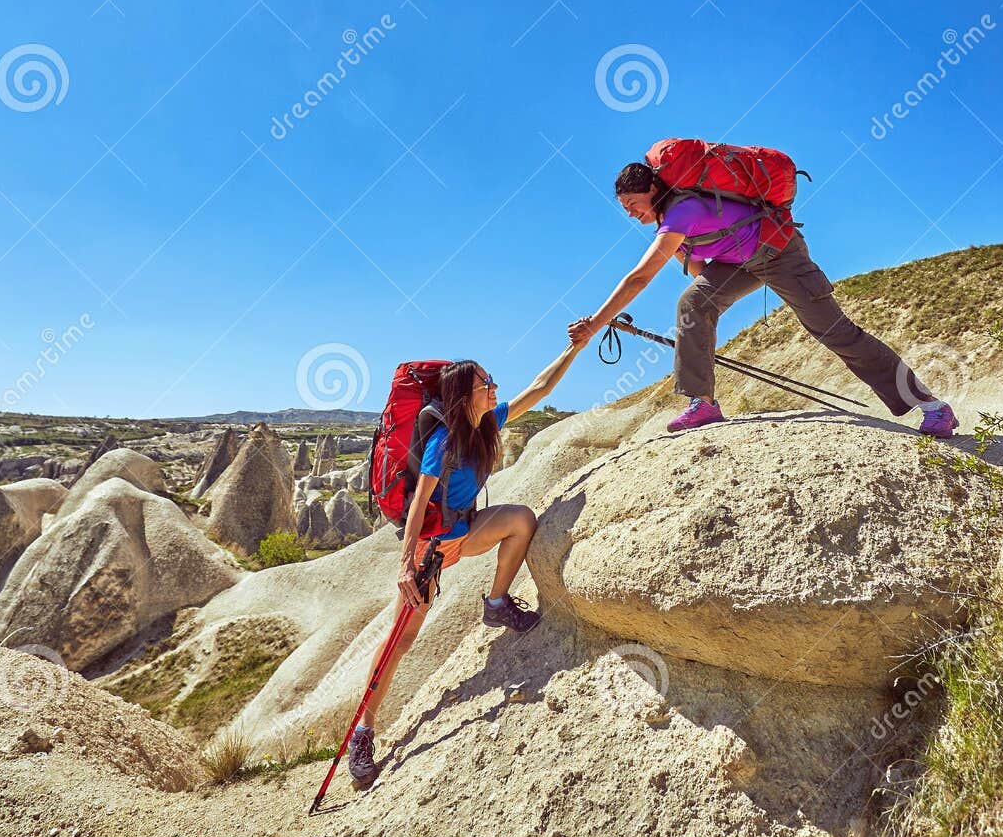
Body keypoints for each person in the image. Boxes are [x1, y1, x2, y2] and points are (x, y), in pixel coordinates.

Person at [568, 159, 957, 438]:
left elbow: (639, 278)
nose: (632, 214)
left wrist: (595, 324)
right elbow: (705, 281)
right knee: (693, 303)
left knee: (836, 333)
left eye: (633, 204)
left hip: (780, 253)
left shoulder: (681, 212)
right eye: (625, 210)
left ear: (653, 190)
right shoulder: (674, 228)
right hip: (737, 263)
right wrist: (702, 326)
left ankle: (933, 406)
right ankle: (702, 403)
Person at [348, 341, 581, 789]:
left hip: (466, 531)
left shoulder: (485, 424)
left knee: (520, 520)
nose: (493, 388)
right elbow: (418, 503)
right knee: (404, 637)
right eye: (484, 384)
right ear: (463, 395)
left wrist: (575, 347)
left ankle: (496, 603)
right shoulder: (445, 438)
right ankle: (363, 732)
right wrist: (405, 565)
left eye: (491, 382)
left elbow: (540, 387)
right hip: (430, 548)